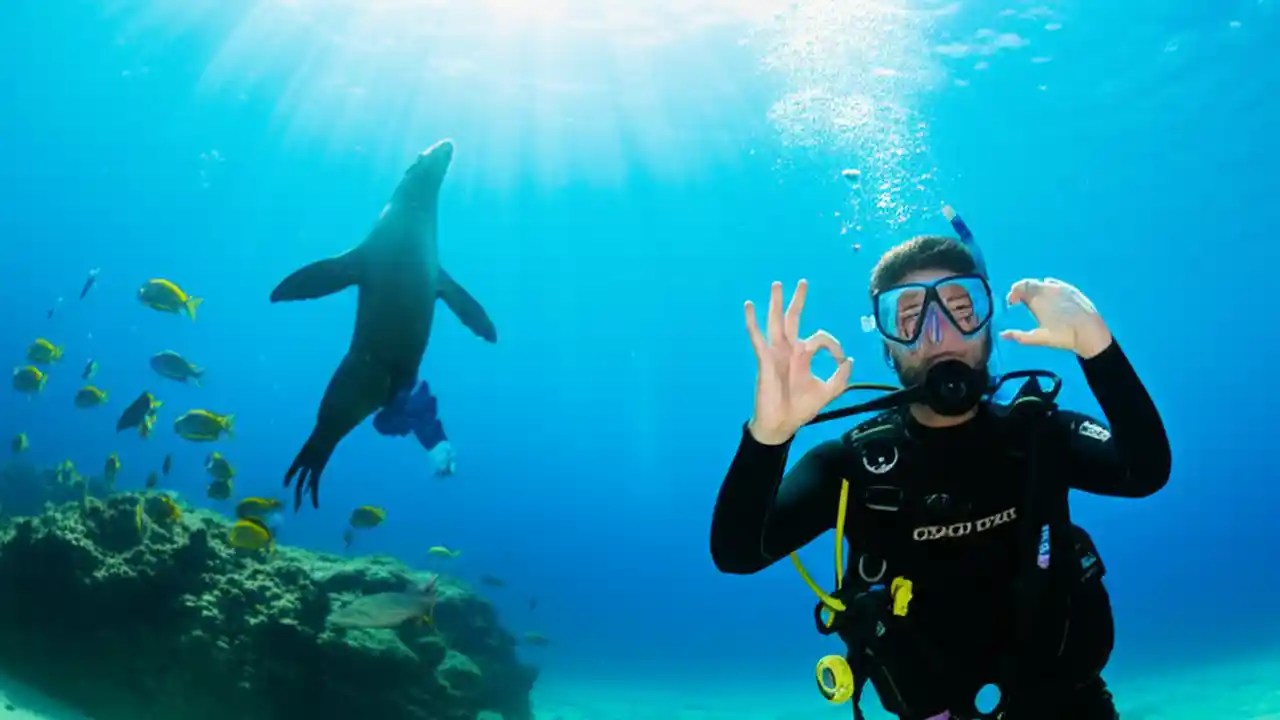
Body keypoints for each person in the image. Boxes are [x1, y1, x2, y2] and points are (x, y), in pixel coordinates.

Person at [709, 229, 1171, 720]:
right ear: (888, 346)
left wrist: (1098, 348)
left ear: (988, 327)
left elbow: (1145, 472)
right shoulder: (851, 467)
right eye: (908, 317)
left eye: (962, 309)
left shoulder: (1038, 435)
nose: (937, 335)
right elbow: (737, 553)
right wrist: (768, 437)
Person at [373, 380, 457, 476]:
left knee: (418, 423)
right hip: (413, 397)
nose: (402, 435)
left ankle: (444, 456)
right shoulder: (413, 420)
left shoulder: (390, 419)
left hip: (411, 397)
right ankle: (444, 456)